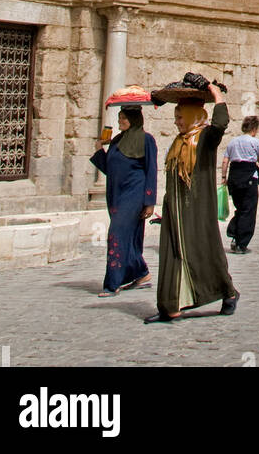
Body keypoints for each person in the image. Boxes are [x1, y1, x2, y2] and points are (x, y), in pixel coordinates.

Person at [145, 79, 239, 323]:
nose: (177, 121)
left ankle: (228, 293)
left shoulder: (205, 139)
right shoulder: (179, 142)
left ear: (193, 115)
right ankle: (170, 306)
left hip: (198, 211)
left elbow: (220, 124)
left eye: (180, 116)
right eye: (176, 116)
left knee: (205, 253)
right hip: (175, 210)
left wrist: (217, 97)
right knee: (172, 255)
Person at [90, 106, 157, 297]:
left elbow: (151, 170)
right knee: (126, 236)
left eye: (124, 118)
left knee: (116, 234)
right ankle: (141, 274)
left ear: (135, 119)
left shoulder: (146, 140)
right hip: (116, 195)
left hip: (134, 195)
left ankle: (112, 284)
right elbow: (110, 169)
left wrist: (149, 201)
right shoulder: (117, 140)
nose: (120, 121)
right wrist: (99, 148)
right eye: (120, 118)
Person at [221, 115, 259, 254]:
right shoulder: (256, 142)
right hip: (248, 178)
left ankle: (235, 235)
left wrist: (224, 177)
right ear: (254, 128)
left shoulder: (232, 142)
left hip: (234, 178)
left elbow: (225, 161)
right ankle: (242, 243)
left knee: (240, 208)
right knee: (248, 210)